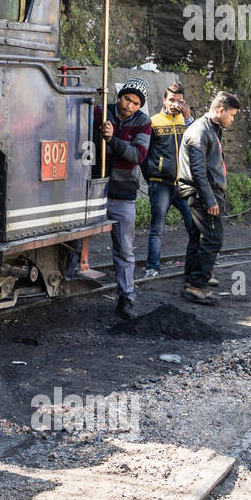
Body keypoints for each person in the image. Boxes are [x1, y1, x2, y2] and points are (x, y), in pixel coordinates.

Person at [177, 92, 241, 305]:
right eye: (231, 115)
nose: (232, 120)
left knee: (198, 238)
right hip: (202, 193)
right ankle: (196, 286)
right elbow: (198, 170)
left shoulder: (210, 128)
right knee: (213, 238)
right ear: (221, 111)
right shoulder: (200, 131)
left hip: (203, 192)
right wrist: (210, 200)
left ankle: (192, 281)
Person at [101, 78, 151, 319]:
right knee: (75, 244)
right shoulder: (102, 109)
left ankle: (127, 297)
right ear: (120, 95)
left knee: (124, 249)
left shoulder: (143, 123)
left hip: (123, 194)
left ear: (140, 106)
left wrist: (112, 140)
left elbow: (137, 155)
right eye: (127, 99)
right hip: (92, 190)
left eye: (135, 103)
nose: (129, 106)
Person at [141, 83, 193, 278]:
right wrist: (151, 177)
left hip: (183, 184)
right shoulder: (153, 122)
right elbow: (143, 155)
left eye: (179, 101)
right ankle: (152, 267)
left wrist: (188, 118)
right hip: (160, 184)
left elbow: (198, 143)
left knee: (194, 225)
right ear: (164, 100)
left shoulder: (186, 121)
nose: (174, 104)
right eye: (171, 100)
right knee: (157, 229)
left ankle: (195, 264)